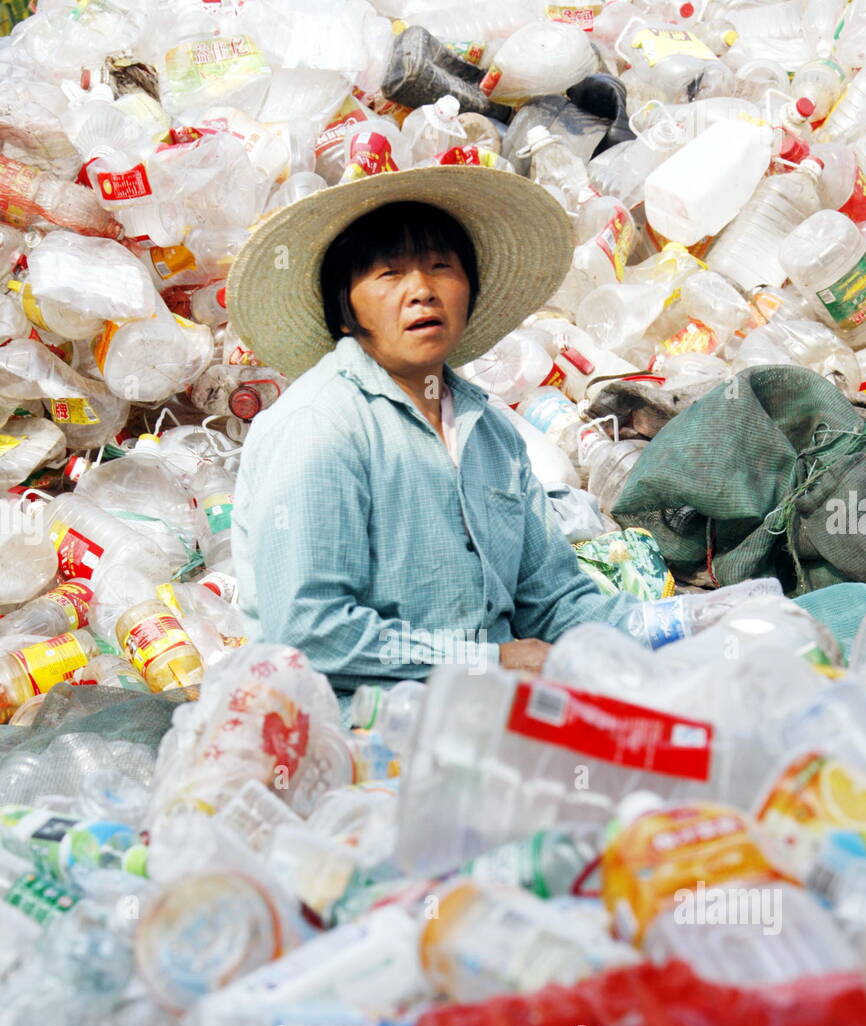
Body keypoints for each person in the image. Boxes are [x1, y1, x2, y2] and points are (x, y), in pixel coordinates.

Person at [227, 163, 640, 719]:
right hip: (360, 734)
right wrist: (486, 660)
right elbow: (309, 632)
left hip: (488, 713)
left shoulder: (491, 434)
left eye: (441, 267)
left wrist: (650, 637)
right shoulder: (319, 426)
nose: (421, 291)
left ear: (468, 291)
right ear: (346, 312)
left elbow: (552, 598)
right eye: (389, 275)